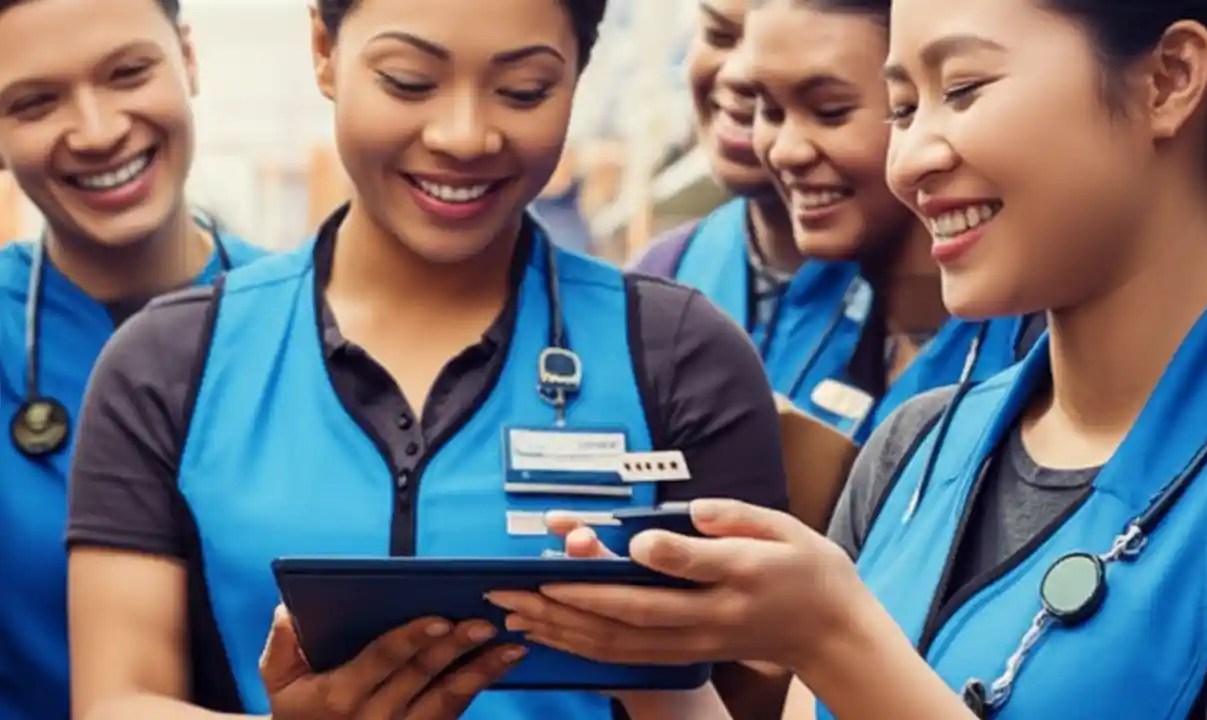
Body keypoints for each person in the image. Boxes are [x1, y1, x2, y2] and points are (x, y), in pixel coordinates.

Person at [487, 0, 1207, 718]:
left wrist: (834, 642)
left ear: (1169, 79)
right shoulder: (915, 448)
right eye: (902, 107)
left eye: (962, 88)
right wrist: (651, 667)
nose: (909, 161)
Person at [64, 0, 787, 718]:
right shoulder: (168, 365)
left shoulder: (682, 358)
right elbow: (118, 702)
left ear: (578, 76)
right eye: (409, 81)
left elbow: (759, 693)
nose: (463, 137)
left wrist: (650, 665)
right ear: (324, 50)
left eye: (524, 90)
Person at [0, 1, 265, 717]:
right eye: (35, 102)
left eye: (128, 73)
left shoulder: (315, 324)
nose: (97, 131)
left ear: (189, 59)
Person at [631, 0, 869, 432]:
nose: (741, 74)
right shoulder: (662, 276)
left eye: (831, 108)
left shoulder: (935, 308)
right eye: (719, 35)